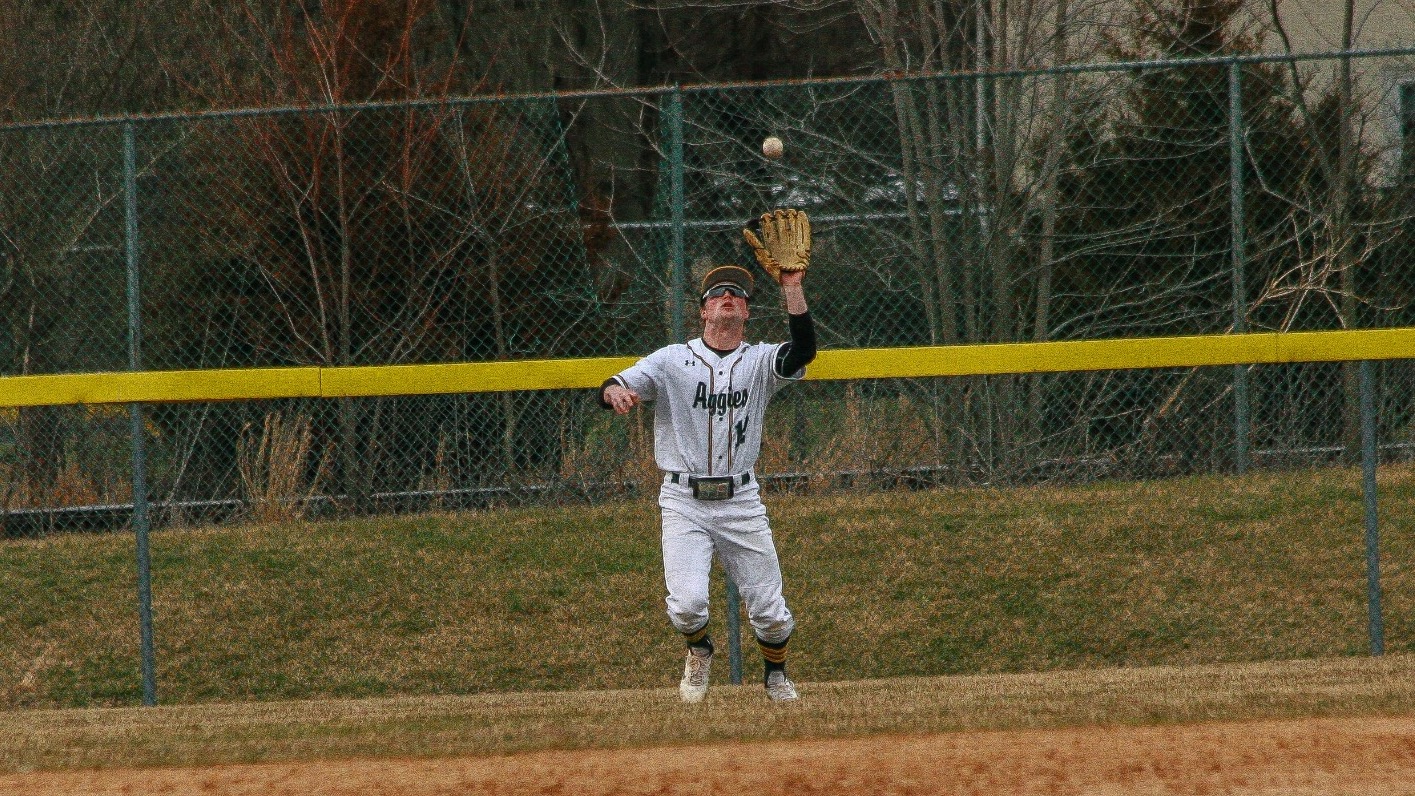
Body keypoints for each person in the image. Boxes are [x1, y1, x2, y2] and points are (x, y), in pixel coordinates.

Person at [600, 209, 816, 703]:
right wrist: (613, 391)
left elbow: (803, 351)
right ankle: (699, 650)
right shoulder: (672, 360)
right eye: (717, 294)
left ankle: (776, 675)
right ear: (703, 311)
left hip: (741, 499)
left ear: (746, 313)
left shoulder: (760, 360)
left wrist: (792, 286)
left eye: (737, 294)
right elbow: (618, 381)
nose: (727, 298)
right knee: (687, 605)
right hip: (683, 500)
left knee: (771, 612)